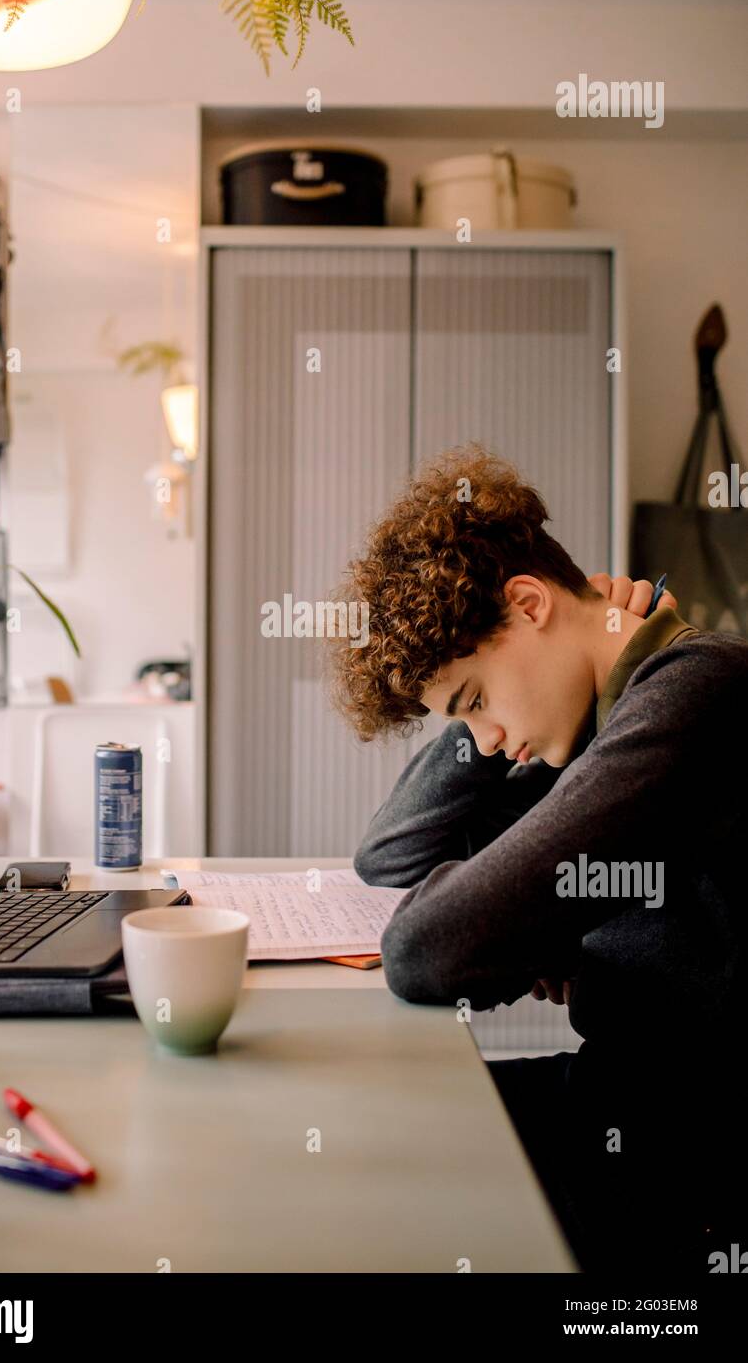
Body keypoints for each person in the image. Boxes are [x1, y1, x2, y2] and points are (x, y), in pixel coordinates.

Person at [327, 444, 748, 1273]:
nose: (484, 738)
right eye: (460, 718)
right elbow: (392, 852)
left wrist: (527, 927)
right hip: (630, 1104)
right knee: (365, 1122)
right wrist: (490, 736)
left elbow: (424, 948)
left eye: (474, 700)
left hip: (694, 1163)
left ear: (527, 601)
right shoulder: (594, 730)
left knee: (371, 1164)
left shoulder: (696, 693)